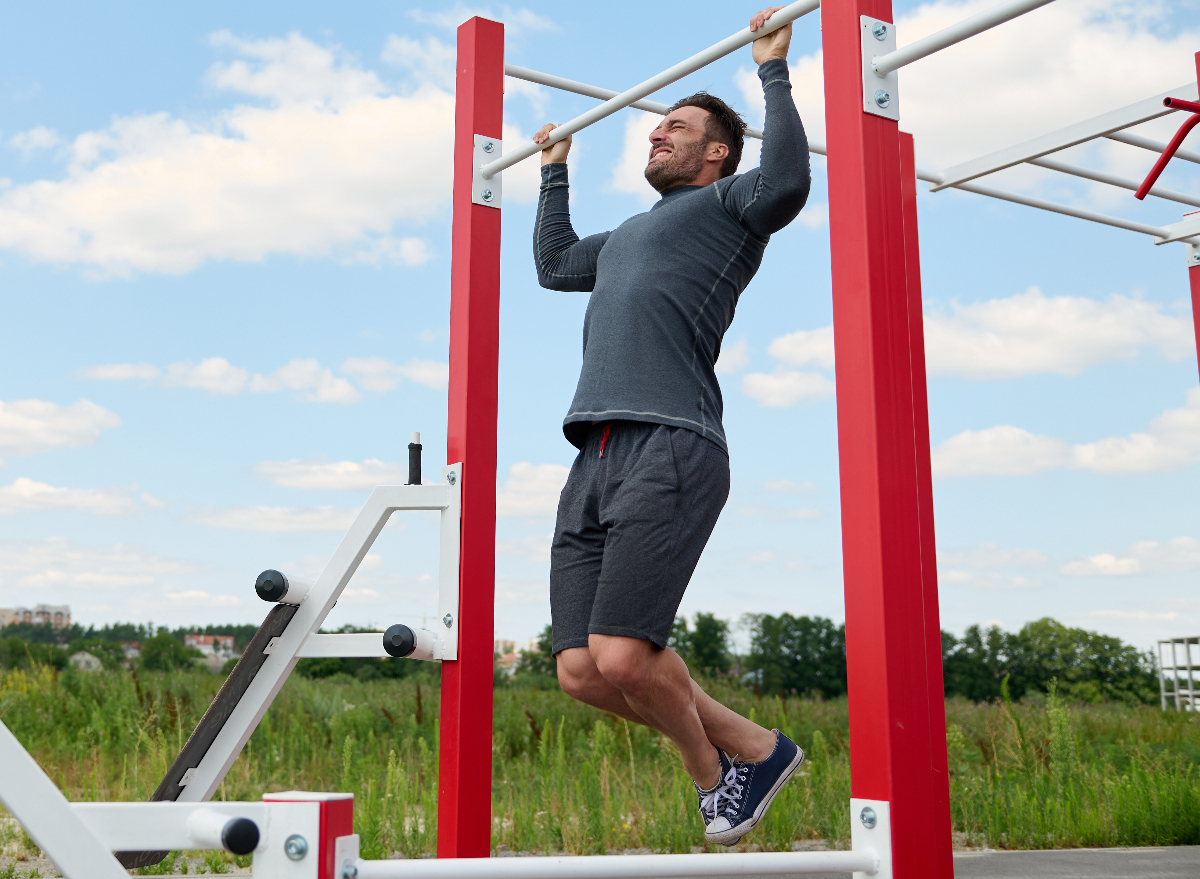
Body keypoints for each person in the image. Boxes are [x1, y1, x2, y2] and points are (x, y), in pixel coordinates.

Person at [531, 6, 811, 846]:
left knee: (625, 654)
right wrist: (553, 171)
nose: (657, 137)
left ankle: (718, 778)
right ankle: (759, 750)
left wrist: (772, 70)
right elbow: (553, 266)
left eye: (675, 129)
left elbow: (788, 182)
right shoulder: (624, 238)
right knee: (583, 671)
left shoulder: (731, 205)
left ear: (717, 151)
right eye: (655, 129)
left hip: (673, 440)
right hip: (596, 451)